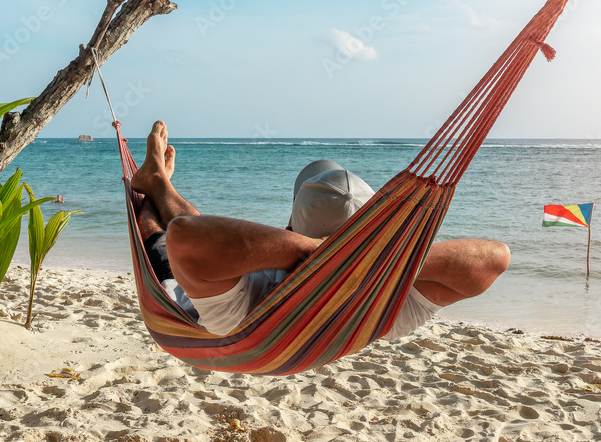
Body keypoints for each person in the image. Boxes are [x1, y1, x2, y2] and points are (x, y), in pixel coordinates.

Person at [131, 121, 510, 341]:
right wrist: (370, 254)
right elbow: (497, 258)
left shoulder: (255, 300)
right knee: (201, 231)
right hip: (215, 267)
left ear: (290, 225)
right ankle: (160, 182)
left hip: (183, 295)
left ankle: (156, 185)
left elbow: (184, 238)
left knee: (161, 239)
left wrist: (320, 254)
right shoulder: (387, 303)